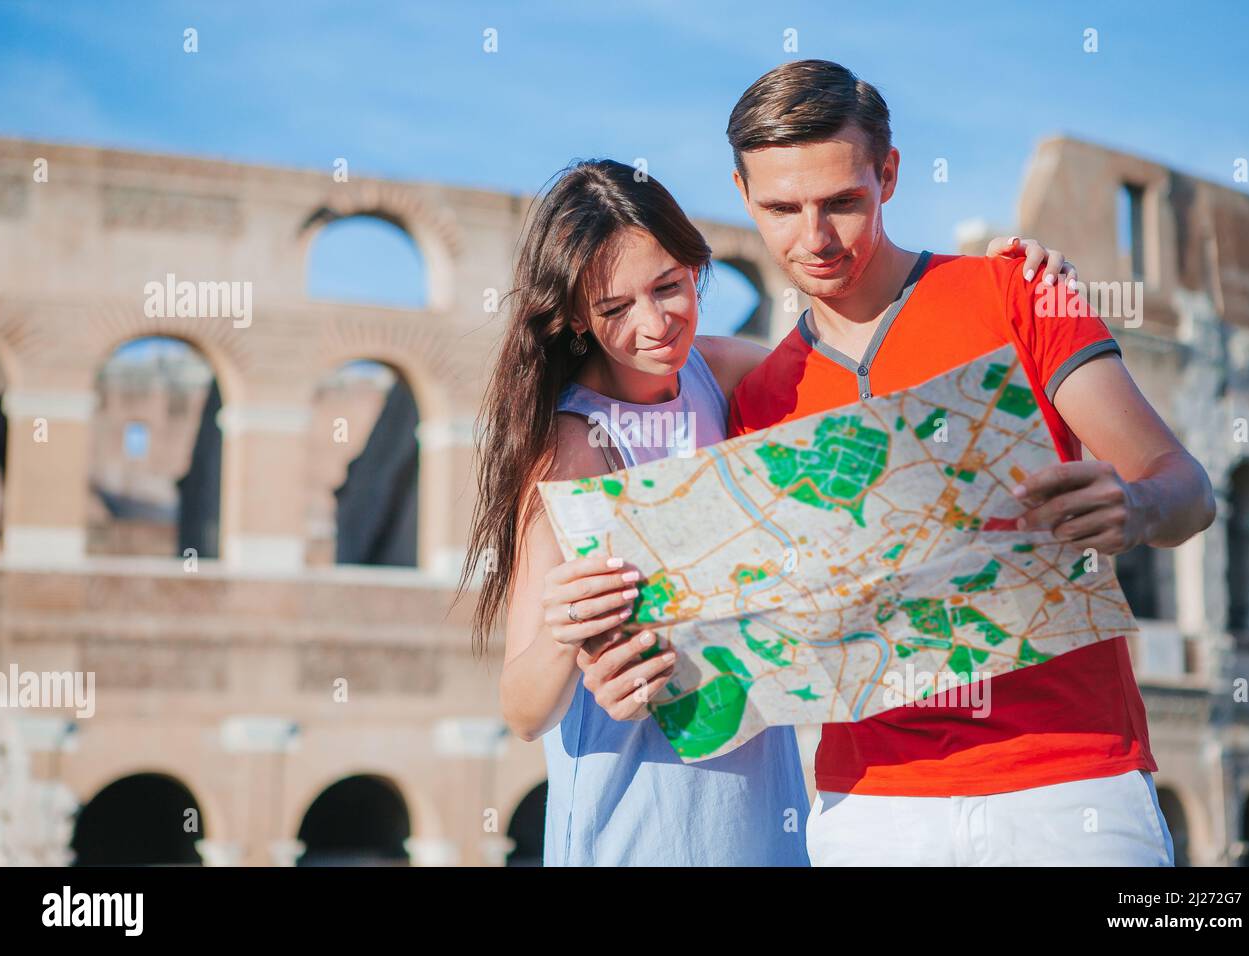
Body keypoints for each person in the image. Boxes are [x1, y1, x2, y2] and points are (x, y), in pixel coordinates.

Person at [460, 156, 1075, 866]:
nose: (655, 324)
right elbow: (523, 710)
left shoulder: (719, 370)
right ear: (573, 317)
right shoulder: (568, 448)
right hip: (637, 805)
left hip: (763, 794)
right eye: (614, 309)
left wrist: (1002, 289)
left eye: (669, 287)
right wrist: (567, 633)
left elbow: (884, 383)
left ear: (696, 266)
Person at [701, 58, 1213, 865]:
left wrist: (1140, 507)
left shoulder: (1021, 293)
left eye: (842, 202)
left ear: (890, 174)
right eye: (780, 208)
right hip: (871, 808)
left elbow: (1187, 487)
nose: (815, 239)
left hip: (1070, 782)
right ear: (741, 197)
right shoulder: (761, 398)